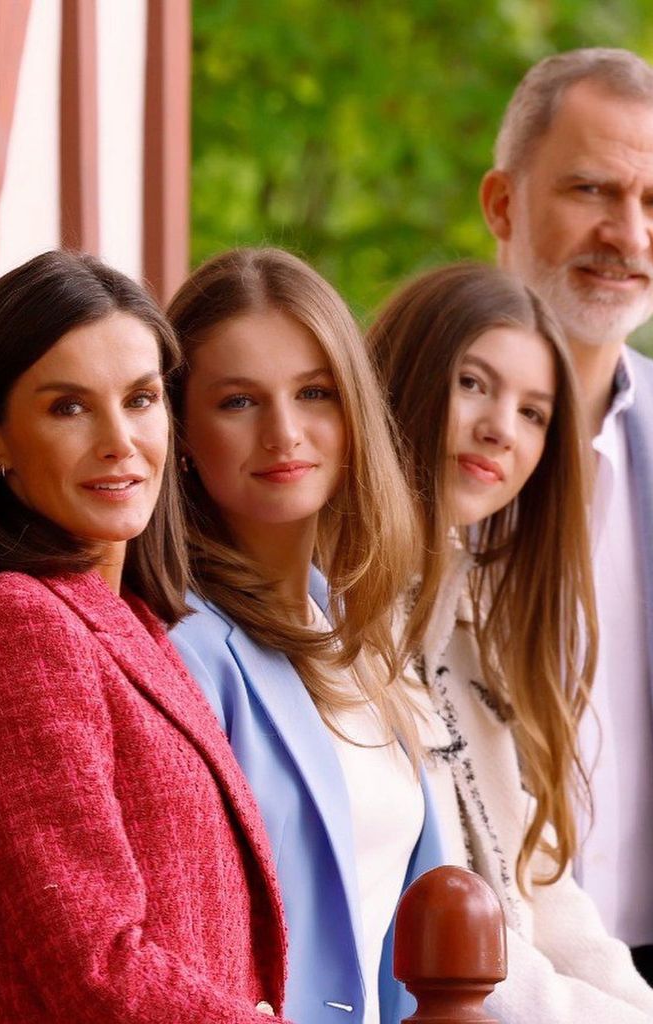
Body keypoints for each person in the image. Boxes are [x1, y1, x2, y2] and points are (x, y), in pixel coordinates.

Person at [0, 250, 290, 1023]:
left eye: (140, 399)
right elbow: (90, 964)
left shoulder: (134, 626)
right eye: (68, 407)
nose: (119, 440)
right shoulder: (11, 625)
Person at [478, 47, 653, 1023]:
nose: (624, 233)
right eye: (591, 189)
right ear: (503, 203)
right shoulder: (388, 438)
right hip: (450, 978)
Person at [369, 260, 653, 1023]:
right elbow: (452, 942)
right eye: (473, 383)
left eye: (534, 412)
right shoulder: (339, 620)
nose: (500, 427)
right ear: (407, 375)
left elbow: (540, 893)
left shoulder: (472, 626)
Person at [167, 246, 447, 1024]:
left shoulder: (352, 634)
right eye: (238, 402)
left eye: (314, 393)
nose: (285, 432)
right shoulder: (178, 648)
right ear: (181, 431)